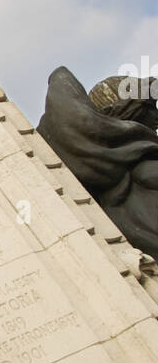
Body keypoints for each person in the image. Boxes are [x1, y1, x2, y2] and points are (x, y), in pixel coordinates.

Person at [37, 67, 158, 262]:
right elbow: (62, 80)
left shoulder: (117, 160)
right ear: (132, 108)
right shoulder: (122, 158)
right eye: (151, 106)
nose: (156, 115)